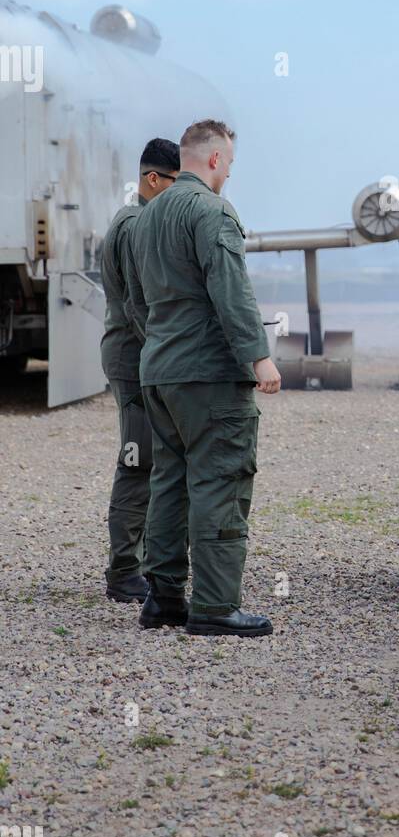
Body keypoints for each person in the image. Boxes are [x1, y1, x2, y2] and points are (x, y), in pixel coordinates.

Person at [126, 119, 282, 637]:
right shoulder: (211, 211)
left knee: (169, 481)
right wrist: (259, 357)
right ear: (214, 159)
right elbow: (231, 290)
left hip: (160, 371)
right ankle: (215, 606)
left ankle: (164, 599)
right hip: (208, 376)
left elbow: (137, 302)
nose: (230, 173)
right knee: (220, 477)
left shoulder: (144, 217)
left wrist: (164, 348)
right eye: (230, 163)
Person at [100, 138, 179, 603]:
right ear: (154, 179)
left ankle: (145, 562)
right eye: (173, 182)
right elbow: (137, 305)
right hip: (135, 359)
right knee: (138, 460)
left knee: (151, 461)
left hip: (139, 355)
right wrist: (168, 352)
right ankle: (123, 571)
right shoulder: (134, 226)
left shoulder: (138, 219)